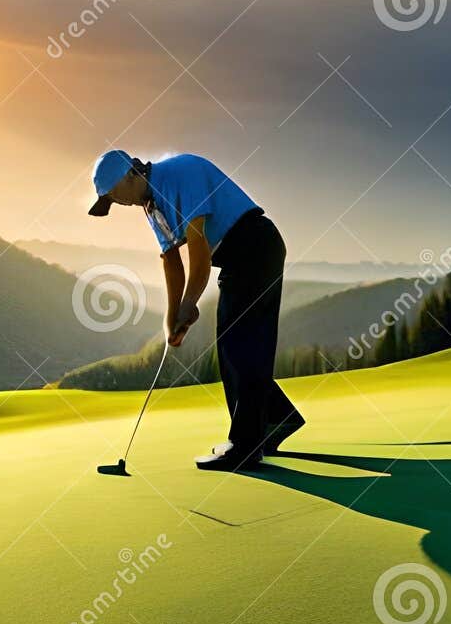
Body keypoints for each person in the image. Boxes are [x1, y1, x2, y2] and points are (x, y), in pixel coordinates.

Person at [88, 149, 304, 471]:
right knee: (236, 346)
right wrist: (171, 318)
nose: (118, 203)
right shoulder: (151, 206)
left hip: (256, 246)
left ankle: (245, 447)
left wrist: (190, 303)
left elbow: (198, 248)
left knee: (238, 346)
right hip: (238, 259)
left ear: (131, 173)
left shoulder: (180, 172)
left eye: (114, 195)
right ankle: (277, 419)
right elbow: (171, 260)